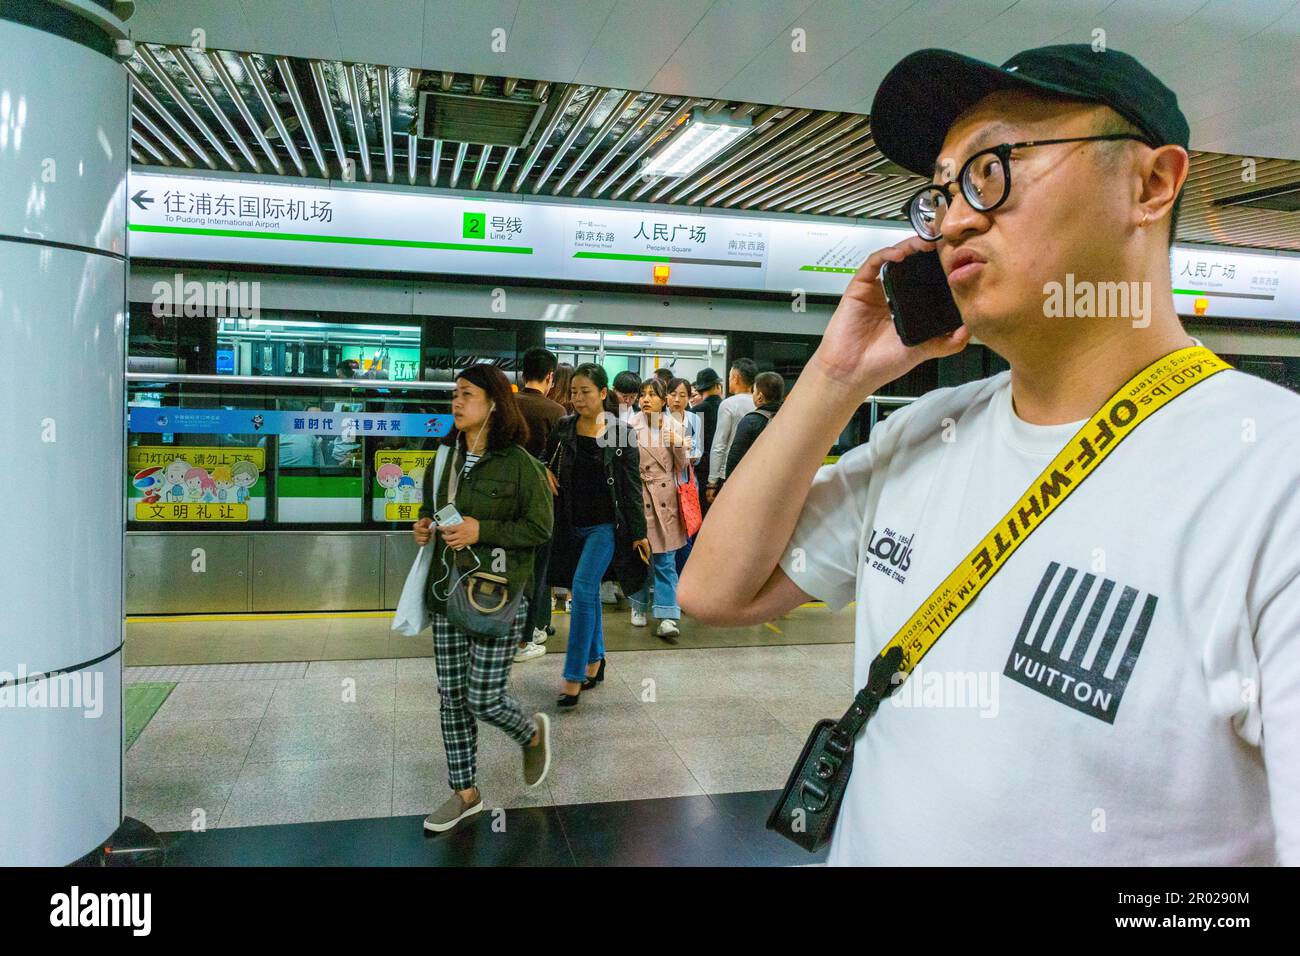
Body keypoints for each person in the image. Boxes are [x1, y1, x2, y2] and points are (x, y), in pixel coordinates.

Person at [680, 44, 1300, 866]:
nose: (956, 220)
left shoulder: (1271, 478)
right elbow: (715, 590)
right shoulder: (925, 431)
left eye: (993, 170)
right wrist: (834, 378)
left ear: (1149, 185)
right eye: (940, 194)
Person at [412, 363, 554, 833]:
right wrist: (423, 526)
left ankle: (529, 732)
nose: (456, 402)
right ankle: (465, 792)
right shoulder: (443, 457)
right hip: (445, 592)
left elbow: (539, 528)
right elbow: (431, 509)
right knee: (451, 698)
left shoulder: (520, 465)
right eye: (454, 394)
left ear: (494, 403)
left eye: (467, 394)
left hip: (497, 597)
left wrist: (481, 530)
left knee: (483, 697)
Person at [543, 363, 649, 707]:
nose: (578, 399)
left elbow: (632, 485)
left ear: (604, 394)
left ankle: (573, 677)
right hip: (571, 524)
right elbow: (543, 460)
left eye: (585, 392)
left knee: (585, 588)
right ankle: (595, 660)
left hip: (606, 527)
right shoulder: (564, 427)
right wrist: (543, 470)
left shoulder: (619, 431)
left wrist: (639, 532)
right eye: (573, 392)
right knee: (584, 592)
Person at [513, 346, 566, 663]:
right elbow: (558, 465)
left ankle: (507, 630)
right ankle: (526, 637)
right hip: (542, 504)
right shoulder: (556, 412)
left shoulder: (506, 405)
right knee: (537, 570)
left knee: (512, 568)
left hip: (508, 500)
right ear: (550, 376)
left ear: (522, 374)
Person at [627, 377, 689, 639]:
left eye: (652, 395)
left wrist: (676, 441)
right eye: (643, 394)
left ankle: (667, 615)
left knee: (665, 560)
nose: (646, 399)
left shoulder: (674, 425)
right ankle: (638, 606)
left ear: (664, 400)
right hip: (638, 494)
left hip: (665, 500)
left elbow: (682, 466)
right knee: (640, 557)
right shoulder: (629, 425)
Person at [666, 376, 703, 575]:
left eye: (682, 395)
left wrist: (684, 450)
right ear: (666, 396)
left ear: (689, 397)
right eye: (673, 394)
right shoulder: (659, 419)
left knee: (686, 533)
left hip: (686, 483)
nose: (677, 400)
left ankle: (685, 580)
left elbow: (697, 452)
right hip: (663, 484)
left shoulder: (694, 419)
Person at [706, 358, 756, 502]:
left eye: (729, 377)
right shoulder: (759, 402)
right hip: (752, 470)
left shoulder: (728, 404)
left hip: (728, 471)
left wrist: (712, 481)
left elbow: (720, 444)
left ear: (735, 378)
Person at [724, 371, 784, 478]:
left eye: (754, 392)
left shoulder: (750, 421)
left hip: (753, 480)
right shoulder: (788, 418)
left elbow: (735, 457)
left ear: (759, 397)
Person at [692, 367, 723, 513]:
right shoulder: (724, 408)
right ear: (718, 386)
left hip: (701, 468)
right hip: (723, 467)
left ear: (699, 390)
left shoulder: (696, 411)